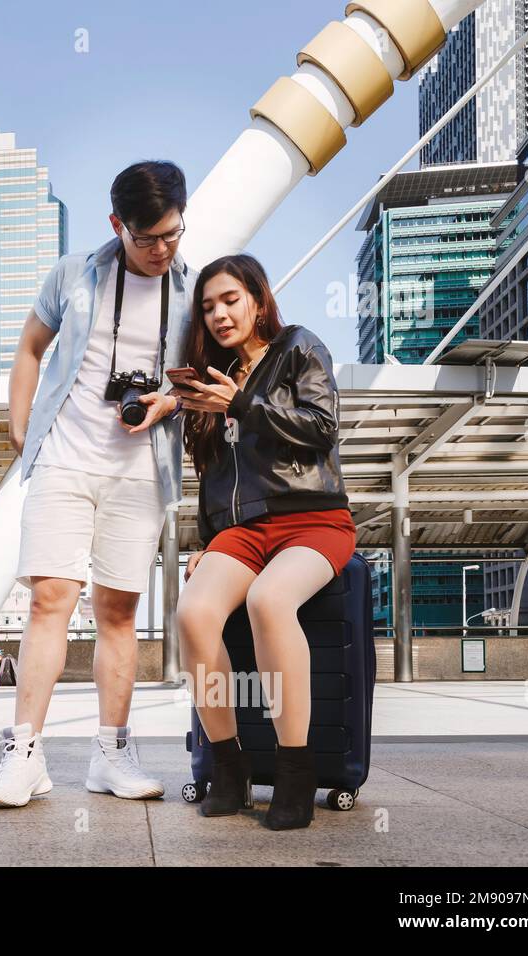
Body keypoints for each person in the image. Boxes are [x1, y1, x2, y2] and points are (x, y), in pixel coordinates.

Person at [0, 161, 196, 808]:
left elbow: (209, 382)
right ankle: (24, 754)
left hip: (140, 469)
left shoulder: (192, 289)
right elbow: (30, 347)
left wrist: (170, 403)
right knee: (51, 595)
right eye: (147, 237)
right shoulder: (74, 274)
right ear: (117, 225)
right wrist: (24, 432)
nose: (161, 250)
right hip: (66, 459)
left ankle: (111, 752)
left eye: (173, 235)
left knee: (118, 611)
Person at [173, 254, 355, 830]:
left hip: (314, 519)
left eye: (230, 299)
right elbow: (213, 475)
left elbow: (323, 428)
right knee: (194, 614)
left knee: (269, 601)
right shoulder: (212, 382)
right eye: (208, 308)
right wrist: (208, 541)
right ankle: (228, 764)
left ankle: (296, 767)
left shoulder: (299, 346)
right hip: (242, 532)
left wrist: (243, 404)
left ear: (258, 297)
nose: (220, 315)